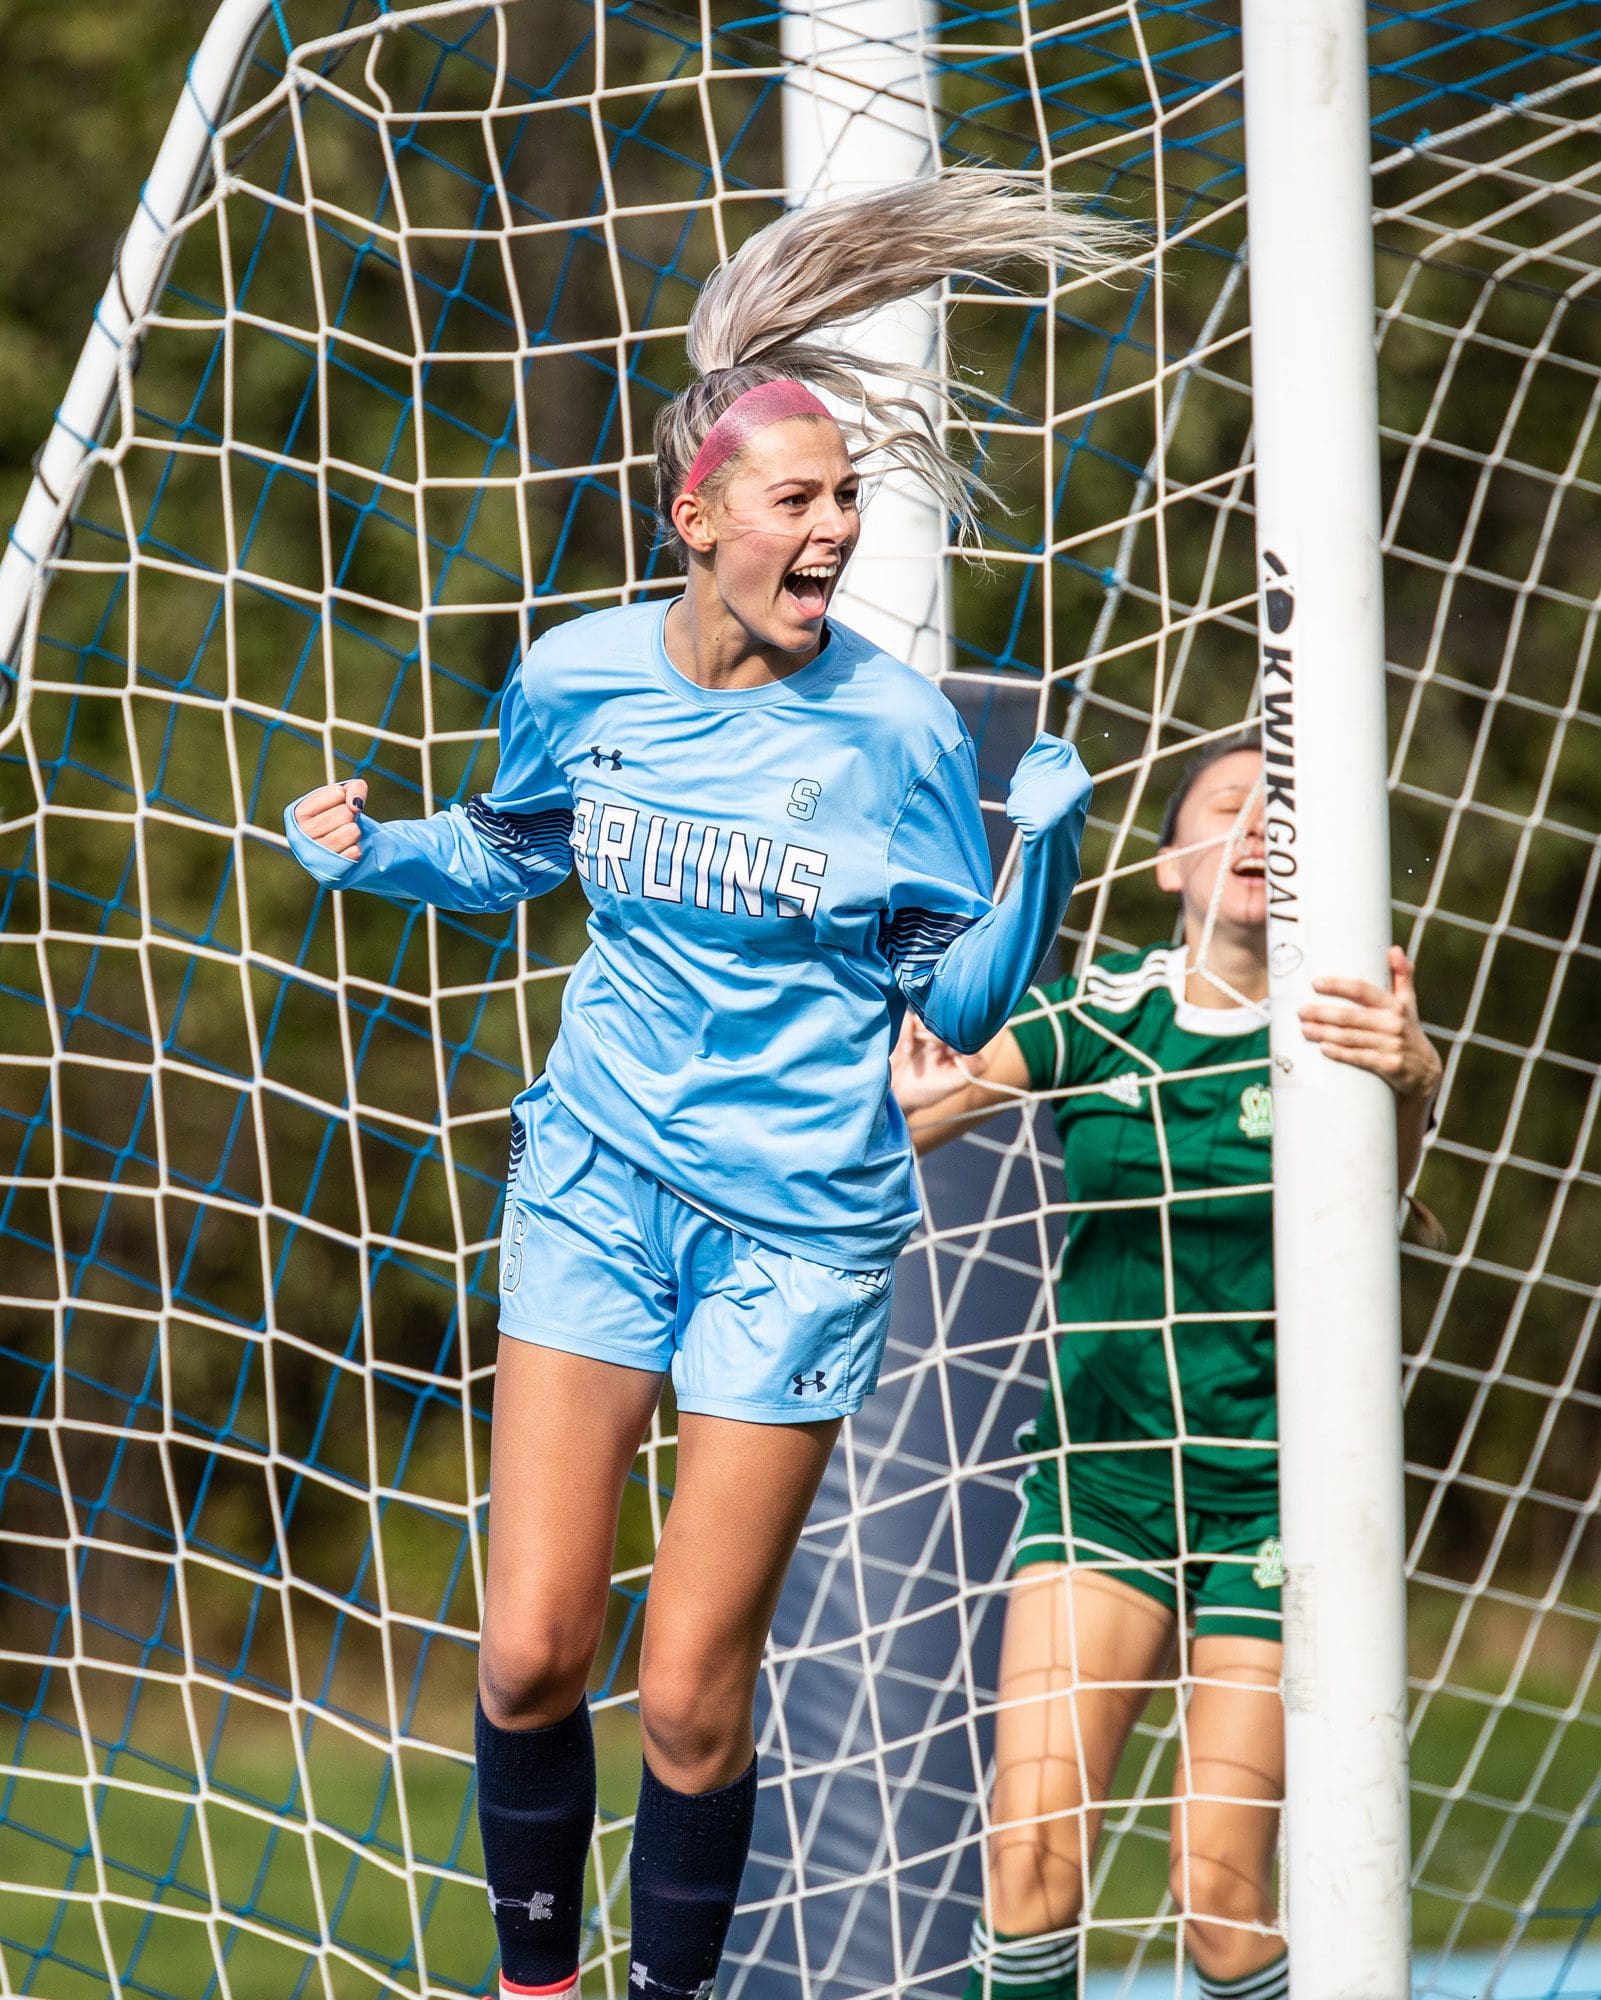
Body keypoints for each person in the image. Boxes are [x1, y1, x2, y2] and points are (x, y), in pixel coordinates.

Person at [283, 175, 1131, 2000]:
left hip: (799, 1225)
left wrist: (1038, 866)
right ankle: (535, 1982)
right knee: (526, 1660)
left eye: (848, 498)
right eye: (800, 498)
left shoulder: (900, 734)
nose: (836, 528)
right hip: (593, 1177)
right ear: (702, 517)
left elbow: (956, 1000)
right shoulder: (577, 677)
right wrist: (376, 858)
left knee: (681, 1695)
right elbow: (511, 848)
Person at [891, 736, 1441, 2000]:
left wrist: (1414, 1079)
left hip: (1274, 1498)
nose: (1255, 826)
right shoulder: (1099, 1011)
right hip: (1104, 1486)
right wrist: (892, 1091)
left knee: (1217, 1903)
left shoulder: (1345, 1027)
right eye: (1223, 805)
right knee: (1027, 1862)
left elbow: (1395, 1186)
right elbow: (923, 1105)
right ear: (1163, 861)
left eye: (1280, 810)